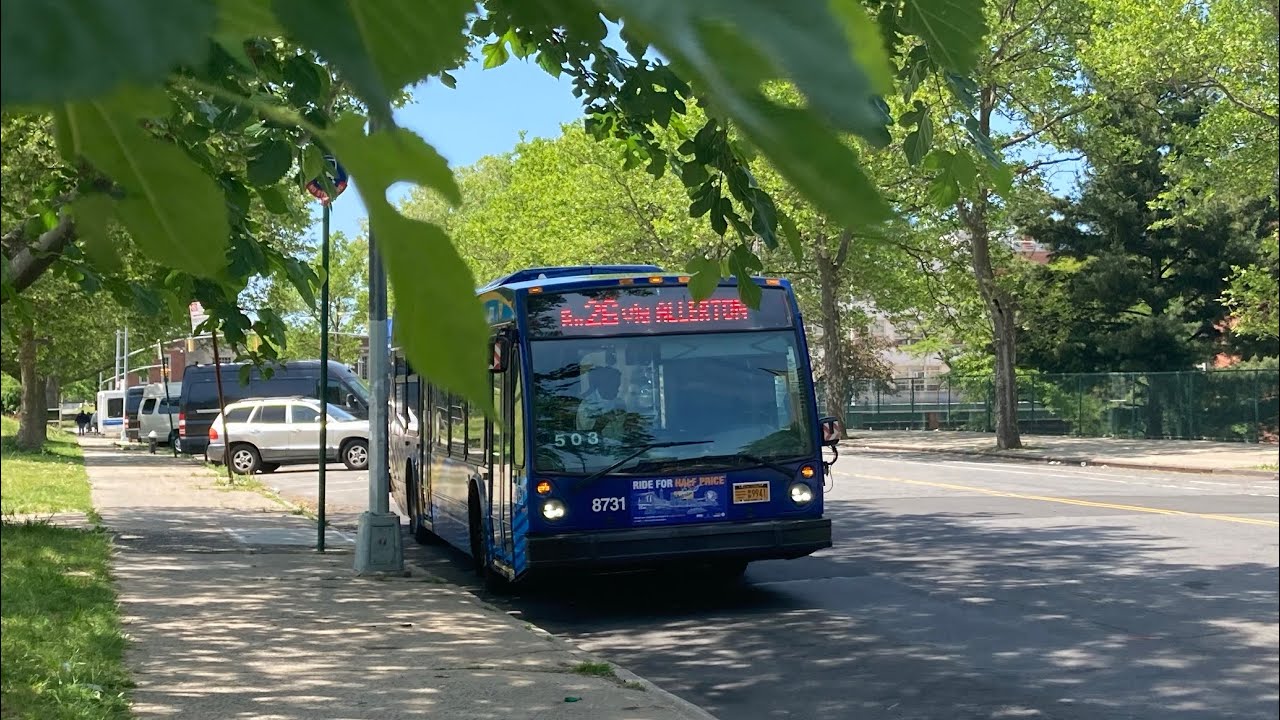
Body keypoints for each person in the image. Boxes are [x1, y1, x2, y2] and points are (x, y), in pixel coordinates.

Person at [576, 366, 627, 435]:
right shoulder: (587, 405)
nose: (618, 390)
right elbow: (589, 434)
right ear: (603, 385)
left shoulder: (619, 403)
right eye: (614, 386)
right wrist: (604, 419)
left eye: (618, 386)